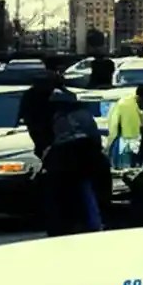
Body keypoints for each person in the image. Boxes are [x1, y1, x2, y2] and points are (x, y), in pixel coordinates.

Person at [42, 88, 106, 236]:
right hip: (76, 163)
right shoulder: (80, 116)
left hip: (73, 163)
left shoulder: (61, 118)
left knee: (83, 192)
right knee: (85, 192)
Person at [106, 84, 143, 168]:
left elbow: (113, 128)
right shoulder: (127, 106)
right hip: (132, 145)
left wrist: (108, 147)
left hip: (127, 145)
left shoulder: (123, 103)